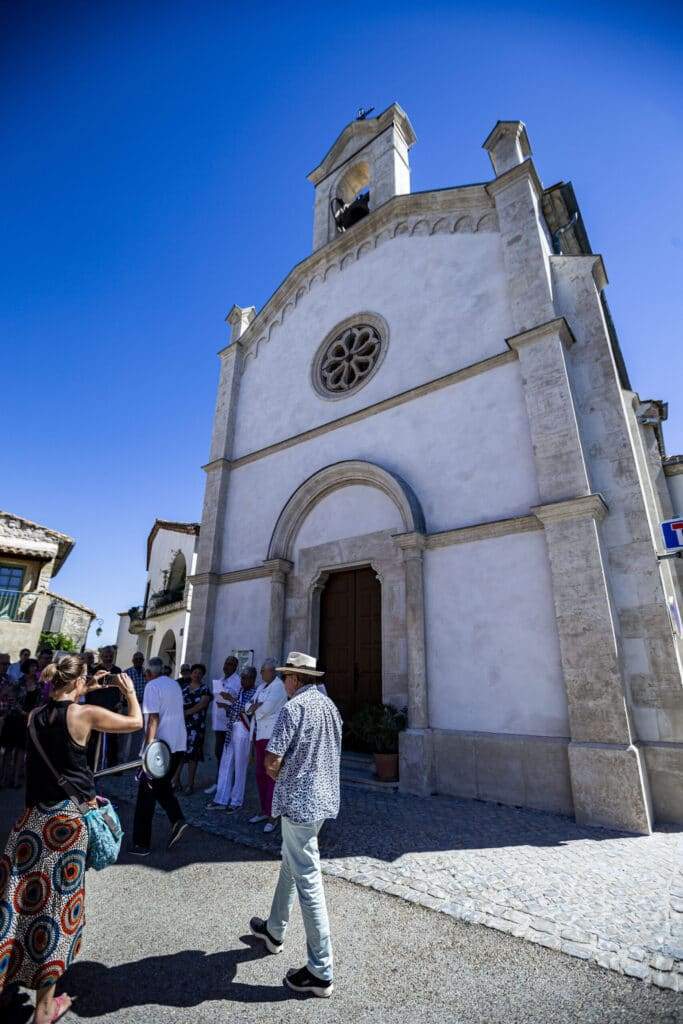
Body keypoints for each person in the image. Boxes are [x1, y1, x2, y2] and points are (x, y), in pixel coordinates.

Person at [0, 654, 141, 1023]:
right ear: (79, 682)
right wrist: (129, 692)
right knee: (54, 910)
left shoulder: (33, 717)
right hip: (65, 826)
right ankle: (46, 1006)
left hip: (29, 824)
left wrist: (82, 685)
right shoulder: (85, 715)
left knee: (16, 904)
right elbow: (135, 723)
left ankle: (4, 982)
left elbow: (60, 700)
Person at [249, 651, 341, 998]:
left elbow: (272, 759)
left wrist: (281, 773)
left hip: (299, 803)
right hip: (322, 801)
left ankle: (320, 969)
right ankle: (274, 930)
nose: (284, 681)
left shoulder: (294, 708)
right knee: (291, 865)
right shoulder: (330, 707)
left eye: (287, 676)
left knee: (308, 879)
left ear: (296, 679)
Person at [131, 657, 189, 856]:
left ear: (148, 673)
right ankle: (177, 819)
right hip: (178, 744)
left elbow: (153, 718)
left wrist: (147, 750)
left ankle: (141, 844)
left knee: (145, 795)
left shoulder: (151, 686)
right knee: (162, 787)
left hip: (160, 748)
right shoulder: (174, 684)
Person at [207, 665, 257, 812]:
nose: (242, 681)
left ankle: (236, 801)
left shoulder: (255, 692)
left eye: (245, 678)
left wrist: (231, 699)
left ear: (252, 679)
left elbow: (248, 710)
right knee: (225, 765)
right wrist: (226, 706)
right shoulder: (241, 691)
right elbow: (235, 709)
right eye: (242, 677)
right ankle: (221, 798)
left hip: (243, 730)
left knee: (240, 767)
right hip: (231, 729)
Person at [249, 657, 287, 833]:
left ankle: (274, 815)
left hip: (271, 736)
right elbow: (248, 706)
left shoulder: (279, 686)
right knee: (259, 774)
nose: (261, 673)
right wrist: (255, 707)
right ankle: (264, 810)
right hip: (258, 734)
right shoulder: (261, 687)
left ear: (272, 671)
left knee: (271, 774)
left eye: (263, 670)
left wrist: (256, 707)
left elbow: (266, 709)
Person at [0, 657, 42, 788]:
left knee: (21, 750)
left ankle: (16, 779)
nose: (34, 669)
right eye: (31, 666)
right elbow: (12, 700)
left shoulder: (39, 684)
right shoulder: (18, 682)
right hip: (14, 719)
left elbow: (39, 702)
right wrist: (24, 712)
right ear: (26, 668)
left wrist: (33, 713)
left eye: (35, 666)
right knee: (8, 750)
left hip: (28, 720)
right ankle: (4, 778)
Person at [204, 655, 240, 796]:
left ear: (235, 666)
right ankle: (220, 782)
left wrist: (226, 699)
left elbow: (235, 699)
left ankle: (226, 784)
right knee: (219, 753)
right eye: (226, 663)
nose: (226, 666)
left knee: (228, 755)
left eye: (230, 664)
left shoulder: (236, 681)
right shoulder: (220, 680)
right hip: (218, 724)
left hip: (229, 725)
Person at [175, 663, 212, 794]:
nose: (196, 674)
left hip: (196, 727)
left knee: (193, 756)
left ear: (202, 676)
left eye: (199, 673)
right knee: (179, 754)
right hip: (182, 726)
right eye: (194, 672)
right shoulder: (184, 689)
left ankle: (190, 784)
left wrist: (186, 713)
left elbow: (202, 704)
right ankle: (176, 780)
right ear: (191, 674)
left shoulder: (204, 689)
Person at [84, 646, 122, 769]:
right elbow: (90, 688)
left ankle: (112, 766)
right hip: (97, 707)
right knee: (93, 738)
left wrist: (119, 701)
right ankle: (91, 764)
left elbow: (120, 688)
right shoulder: (96, 670)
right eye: (106, 655)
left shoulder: (117, 670)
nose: (108, 658)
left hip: (112, 707)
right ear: (102, 656)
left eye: (110, 655)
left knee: (112, 738)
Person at [120, 651, 146, 762]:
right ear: (132, 660)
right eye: (136, 659)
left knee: (138, 734)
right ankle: (122, 759)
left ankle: (133, 759)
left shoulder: (146, 673)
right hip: (129, 705)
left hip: (143, 706)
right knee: (126, 734)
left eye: (141, 659)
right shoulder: (127, 673)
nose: (138, 661)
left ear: (143, 661)